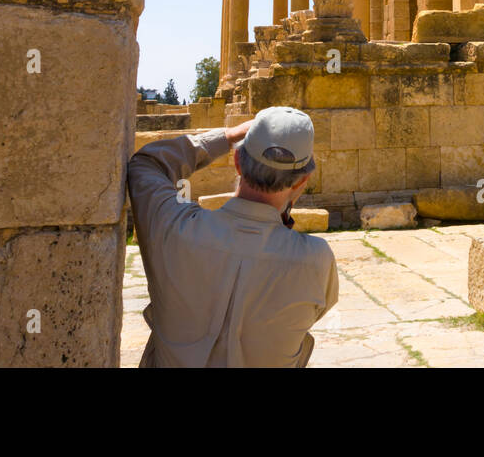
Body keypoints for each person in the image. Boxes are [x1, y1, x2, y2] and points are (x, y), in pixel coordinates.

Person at [127, 105, 338, 367]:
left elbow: (147, 163)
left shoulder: (174, 228)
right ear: (301, 181)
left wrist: (227, 136)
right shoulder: (316, 261)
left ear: (238, 163)